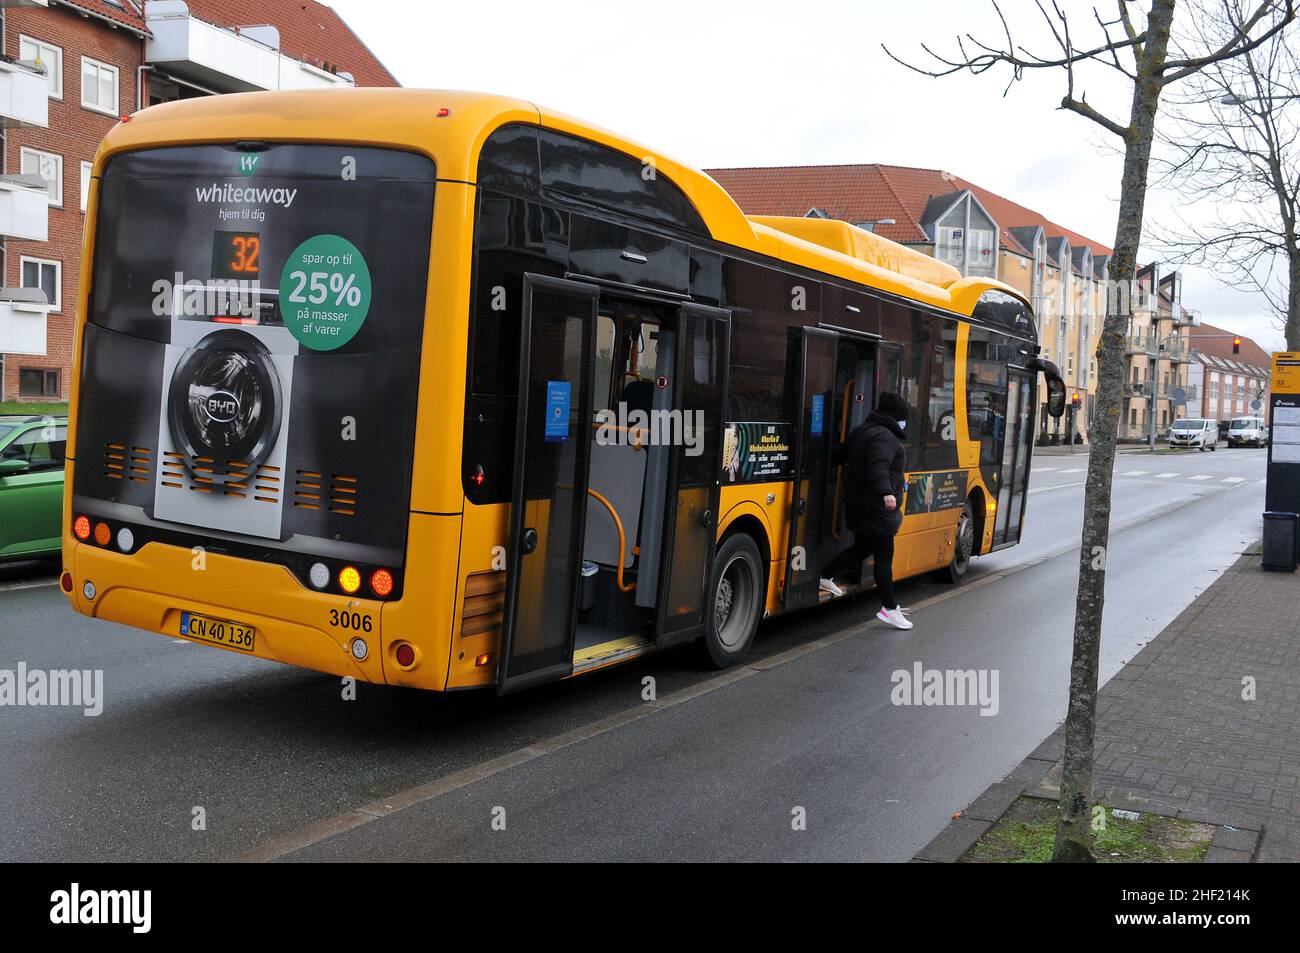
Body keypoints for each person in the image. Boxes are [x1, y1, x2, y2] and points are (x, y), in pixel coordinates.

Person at [819, 391, 912, 630]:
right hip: (877, 507)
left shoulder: (863, 431)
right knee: (884, 556)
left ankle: (825, 575)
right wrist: (886, 492)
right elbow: (878, 466)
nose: (904, 423)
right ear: (895, 418)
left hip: (860, 504)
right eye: (903, 418)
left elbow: (840, 454)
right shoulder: (885, 438)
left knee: (863, 548)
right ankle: (889, 608)